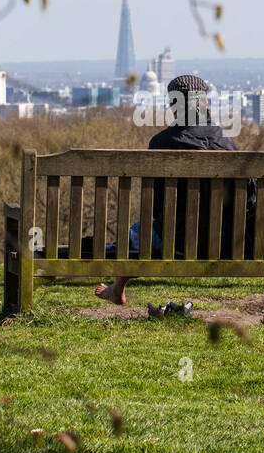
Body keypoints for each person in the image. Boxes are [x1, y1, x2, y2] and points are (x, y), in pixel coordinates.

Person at [96, 74, 254, 304]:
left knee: (137, 231)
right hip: (227, 242)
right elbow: (249, 201)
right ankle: (116, 287)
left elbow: (156, 205)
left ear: (174, 106)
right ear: (206, 103)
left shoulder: (161, 144)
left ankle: (117, 287)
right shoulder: (229, 144)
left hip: (177, 243)